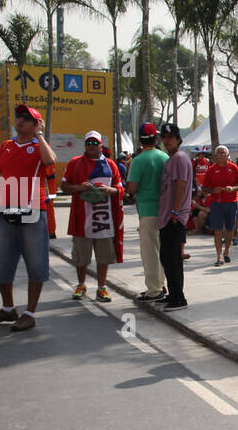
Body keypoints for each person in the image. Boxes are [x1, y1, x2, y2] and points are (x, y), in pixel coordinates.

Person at [0, 103, 56, 332]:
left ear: (35, 124)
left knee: (36, 263)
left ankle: (30, 312)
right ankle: (8, 308)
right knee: (1, 264)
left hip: (33, 212)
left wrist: (40, 134)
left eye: (27, 118)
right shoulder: (6, 146)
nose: (20, 120)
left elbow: (50, 161)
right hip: (6, 211)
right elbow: (0, 178)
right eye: (19, 116)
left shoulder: (38, 145)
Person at [61, 130, 125, 302]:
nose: (91, 146)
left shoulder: (111, 165)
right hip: (82, 219)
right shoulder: (75, 163)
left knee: (103, 256)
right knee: (82, 257)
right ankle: (81, 285)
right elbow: (64, 186)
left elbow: (120, 188)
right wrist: (79, 188)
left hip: (104, 219)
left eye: (94, 143)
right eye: (88, 143)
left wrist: (110, 190)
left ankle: (102, 287)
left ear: (101, 145)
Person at [124, 123, 167, 302]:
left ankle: (153, 289)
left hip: (147, 210)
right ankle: (161, 283)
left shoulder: (138, 160)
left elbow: (132, 187)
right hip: (164, 209)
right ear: (155, 138)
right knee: (161, 249)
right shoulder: (164, 157)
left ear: (140, 140)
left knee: (149, 252)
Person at [156, 121, 193, 312]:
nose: (166, 141)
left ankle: (178, 298)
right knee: (167, 257)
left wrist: (176, 212)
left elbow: (181, 184)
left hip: (174, 217)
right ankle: (174, 293)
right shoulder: (172, 159)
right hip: (168, 216)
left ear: (178, 139)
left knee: (172, 258)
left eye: (170, 137)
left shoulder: (179, 158)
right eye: (164, 137)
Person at [200, 145, 238, 266]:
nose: (222, 154)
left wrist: (233, 188)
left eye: (224, 153)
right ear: (215, 155)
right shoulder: (211, 170)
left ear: (227, 155)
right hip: (217, 204)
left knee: (230, 230)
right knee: (218, 230)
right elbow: (204, 190)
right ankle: (219, 255)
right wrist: (213, 191)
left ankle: (227, 251)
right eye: (219, 153)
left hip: (231, 203)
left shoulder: (234, 168)